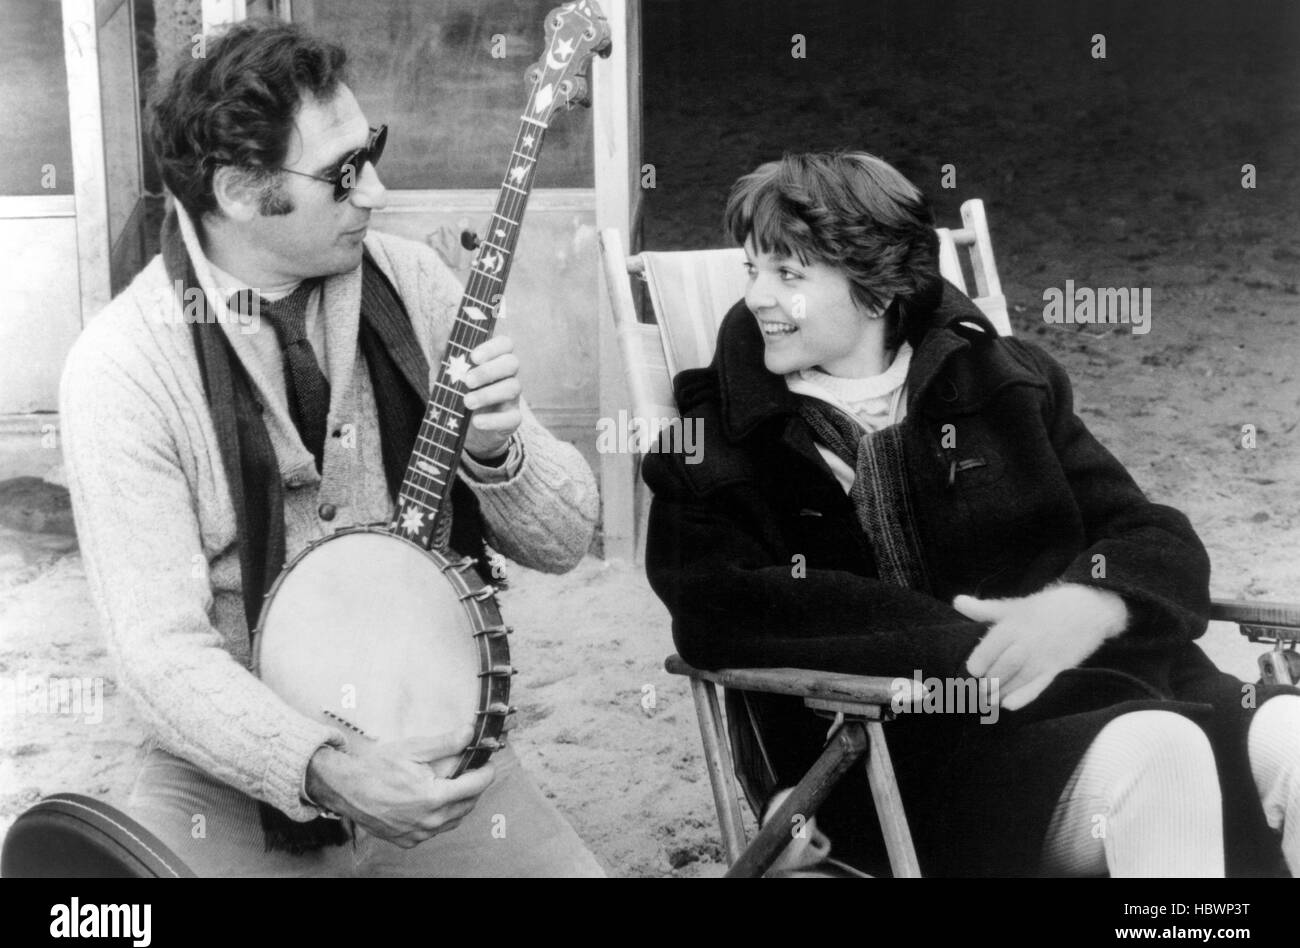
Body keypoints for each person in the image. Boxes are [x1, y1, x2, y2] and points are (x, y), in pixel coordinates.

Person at [642, 150, 1300, 877]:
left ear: (876, 287)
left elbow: (1151, 535)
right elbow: (714, 608)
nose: (757, 298)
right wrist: (980, 649)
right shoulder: (725, 434)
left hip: (1131, 685)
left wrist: (1086, 606)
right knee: (1162, 753)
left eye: (788, 274)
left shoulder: (1002, 381)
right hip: (930, 764)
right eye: (752, 269)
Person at [59, 19, 603, 876]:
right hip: (230, 766)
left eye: (372, 150)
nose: (379, 191)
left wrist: (501, 457)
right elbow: (160, 657)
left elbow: (567, 541)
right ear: (241, 190)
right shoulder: (123, 370)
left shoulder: (415, 283)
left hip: (432, 744)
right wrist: (322, 766)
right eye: (344, 173)